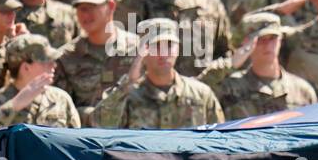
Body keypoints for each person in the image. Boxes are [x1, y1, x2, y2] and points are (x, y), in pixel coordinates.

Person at [92, 17, 225, 128]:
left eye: (169, 45)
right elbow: (99, 123)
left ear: (178, 49)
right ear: (142, 53)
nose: (163, 53)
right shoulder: (128, 96)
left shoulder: (201, 94)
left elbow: (219, 138)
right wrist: (128, 82)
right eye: (155, 46)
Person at [53, 0, 139, 125]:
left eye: (92, 7)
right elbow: (60, 109)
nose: (86, 15)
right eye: (81, 8)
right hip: (87, 141)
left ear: (111, 6)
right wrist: (89, 115)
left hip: (133, 138)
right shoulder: (66, 57)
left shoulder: (138, 50)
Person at [214, 12, 317, 119]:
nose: (268, 45)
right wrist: (231, 64)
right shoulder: (229, 88)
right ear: (246, 43)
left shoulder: (302, 91)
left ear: (280, 40)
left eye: (273, 38)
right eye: (260, 39)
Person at [0, 32, 79, 128]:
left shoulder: (60, 98)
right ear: (26, 67)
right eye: (46, 61)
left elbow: (77, 139)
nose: (54, 65)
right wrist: (15, 105)